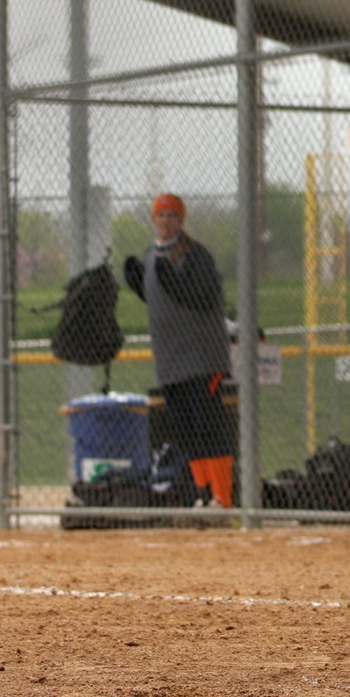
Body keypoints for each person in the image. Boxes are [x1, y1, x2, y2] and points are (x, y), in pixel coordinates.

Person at [123, 193, 235, 508]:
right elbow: (163, 301)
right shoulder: (151, 256)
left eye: (172, 215)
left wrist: (172, 281)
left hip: (201, 358)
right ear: (153, 219)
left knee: (208, 425)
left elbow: (201, 297)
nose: (166, 221)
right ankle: (203, 494)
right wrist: (138, 283)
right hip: (171, 360)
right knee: (187, 431)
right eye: (161, 215)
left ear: (181, 220)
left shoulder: (195, 255)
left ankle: (223, 498)